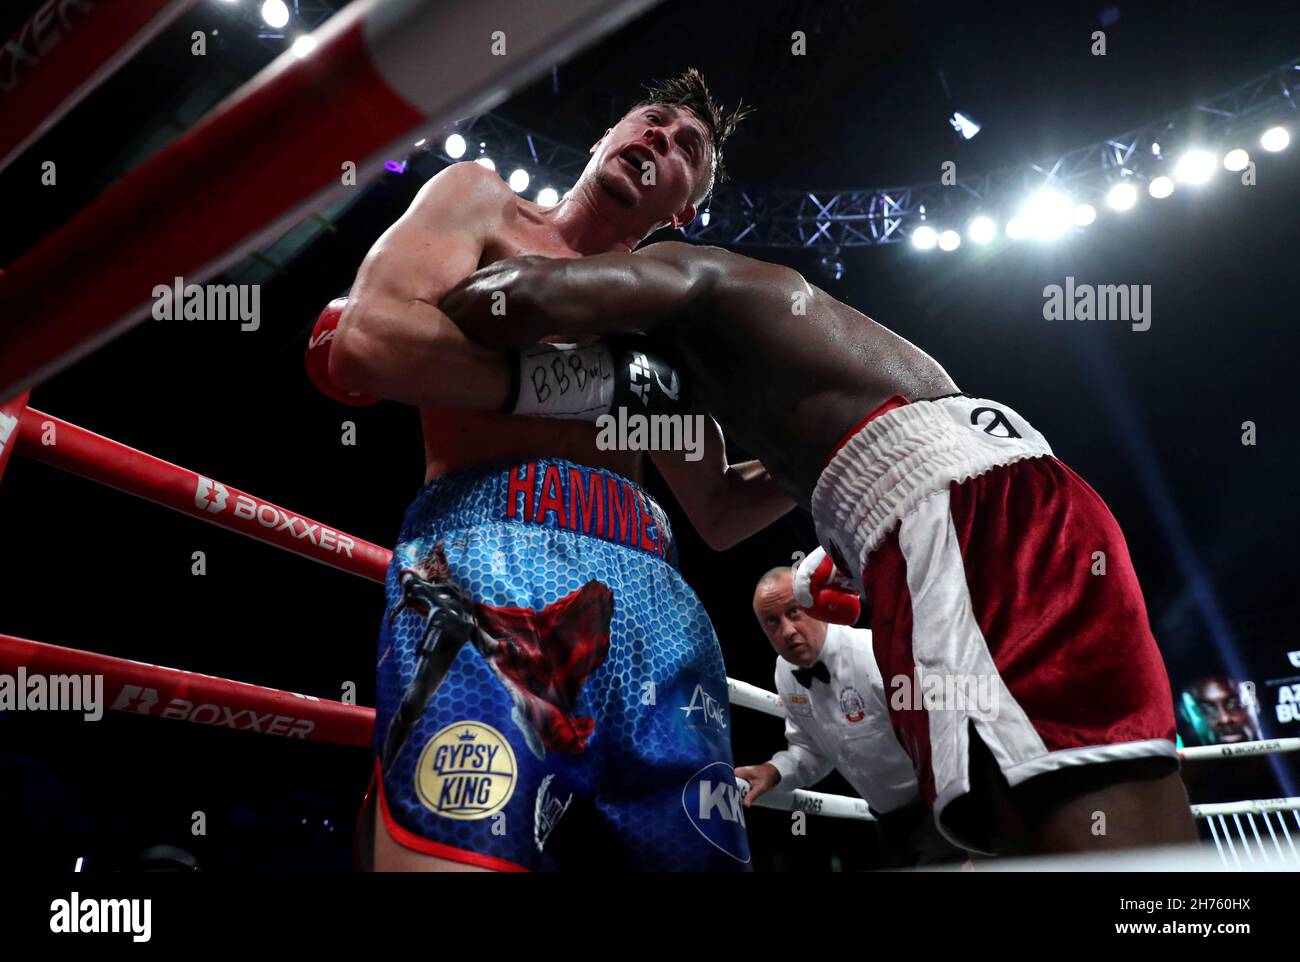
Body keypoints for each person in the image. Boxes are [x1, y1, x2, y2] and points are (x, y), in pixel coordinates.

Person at [435, 239, 1200, 857]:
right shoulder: (703, 375)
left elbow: (512, 297)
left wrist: (463, 307)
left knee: (1066, 803)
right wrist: (625, 387)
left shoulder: (706, 272)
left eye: (684, 144)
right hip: (945, 516)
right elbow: (724, 514)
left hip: (960, 510)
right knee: (1057, 793)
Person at [314, 71, 793, 871]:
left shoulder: (664, 315)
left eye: (686, 149)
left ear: (684, 211)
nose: (661, 140)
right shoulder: (481, 203)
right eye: (654, 121)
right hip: (490, 561)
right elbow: (367, 343)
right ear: (610, 135)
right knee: (454, 852)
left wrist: (855, 447)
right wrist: (585, 382)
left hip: (658, 602)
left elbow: (715, 506)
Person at [738, 566, 964, 867]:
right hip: (889, 821)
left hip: (938, 806)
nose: (788, 631)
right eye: (772, 622)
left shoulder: (876, 654)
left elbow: (943, 725)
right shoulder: (785, 673)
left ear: (815, 606)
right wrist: (774, 771)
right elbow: (810, 750)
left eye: (794, 611)